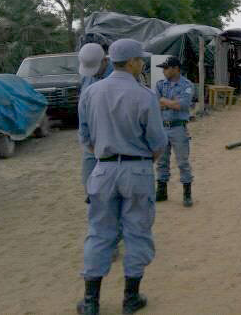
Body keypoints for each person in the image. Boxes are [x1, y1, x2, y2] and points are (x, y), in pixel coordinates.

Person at [77, 39, 167, 315]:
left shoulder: (91, 93)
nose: (142, 64)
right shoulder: (145, 95)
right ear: (131, 63)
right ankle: (131, 298)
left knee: (99, 233)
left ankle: (91, 301)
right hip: (137, 170)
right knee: (137, 231)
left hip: (102, 170)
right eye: (140, 60)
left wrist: (107, 156)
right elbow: (157, 143)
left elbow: (85, 138)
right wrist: (139, 161)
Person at [154, 56, 195, 207]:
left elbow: (182, 105)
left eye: (166, 68)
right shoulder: (160, 84)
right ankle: (162, 191)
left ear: (176, 68)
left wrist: (164, 101)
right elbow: (155, 104)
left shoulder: (187, 85)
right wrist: (170, 103)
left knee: (183, 162)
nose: (164, 71)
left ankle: (187, 193)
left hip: (178, 127)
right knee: (161, 161)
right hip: (162, 127)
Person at [78, 43, 114, 189]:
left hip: (113, 142)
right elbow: (83, 108)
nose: (92, 73)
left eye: (95, 69)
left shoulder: (119, 76)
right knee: (89, 186)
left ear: (105, 60)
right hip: (91, 142)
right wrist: (86, 140)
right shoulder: (87, 77)